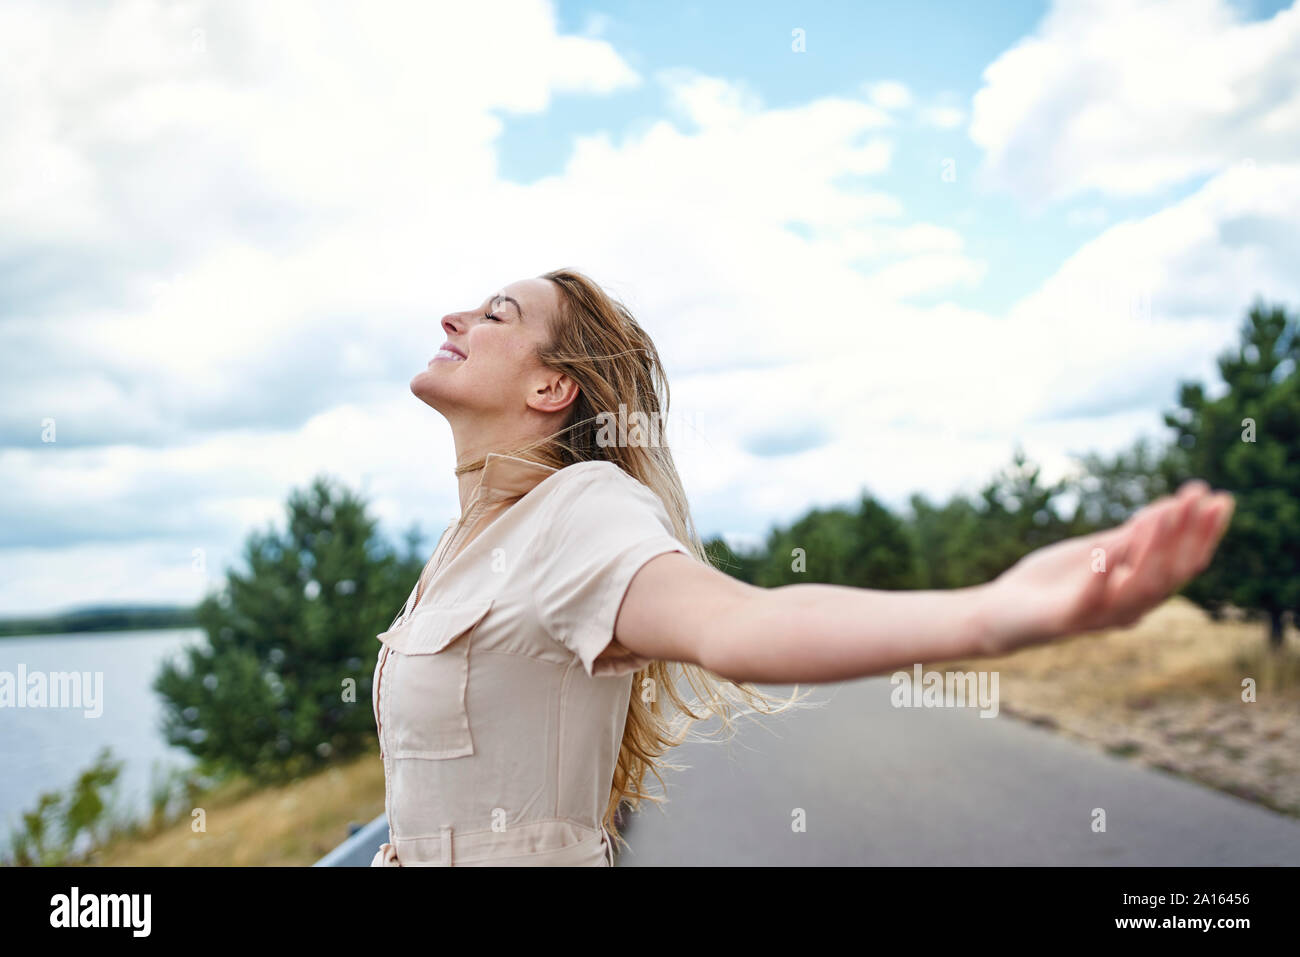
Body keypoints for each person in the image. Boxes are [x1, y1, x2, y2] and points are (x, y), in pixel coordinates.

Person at [369, 267, 1235, 867]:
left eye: (495, 315)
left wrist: (995, 612)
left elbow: (742, 622)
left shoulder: (579, 508)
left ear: (553, 388)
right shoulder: (457, 550)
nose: (455, 318)